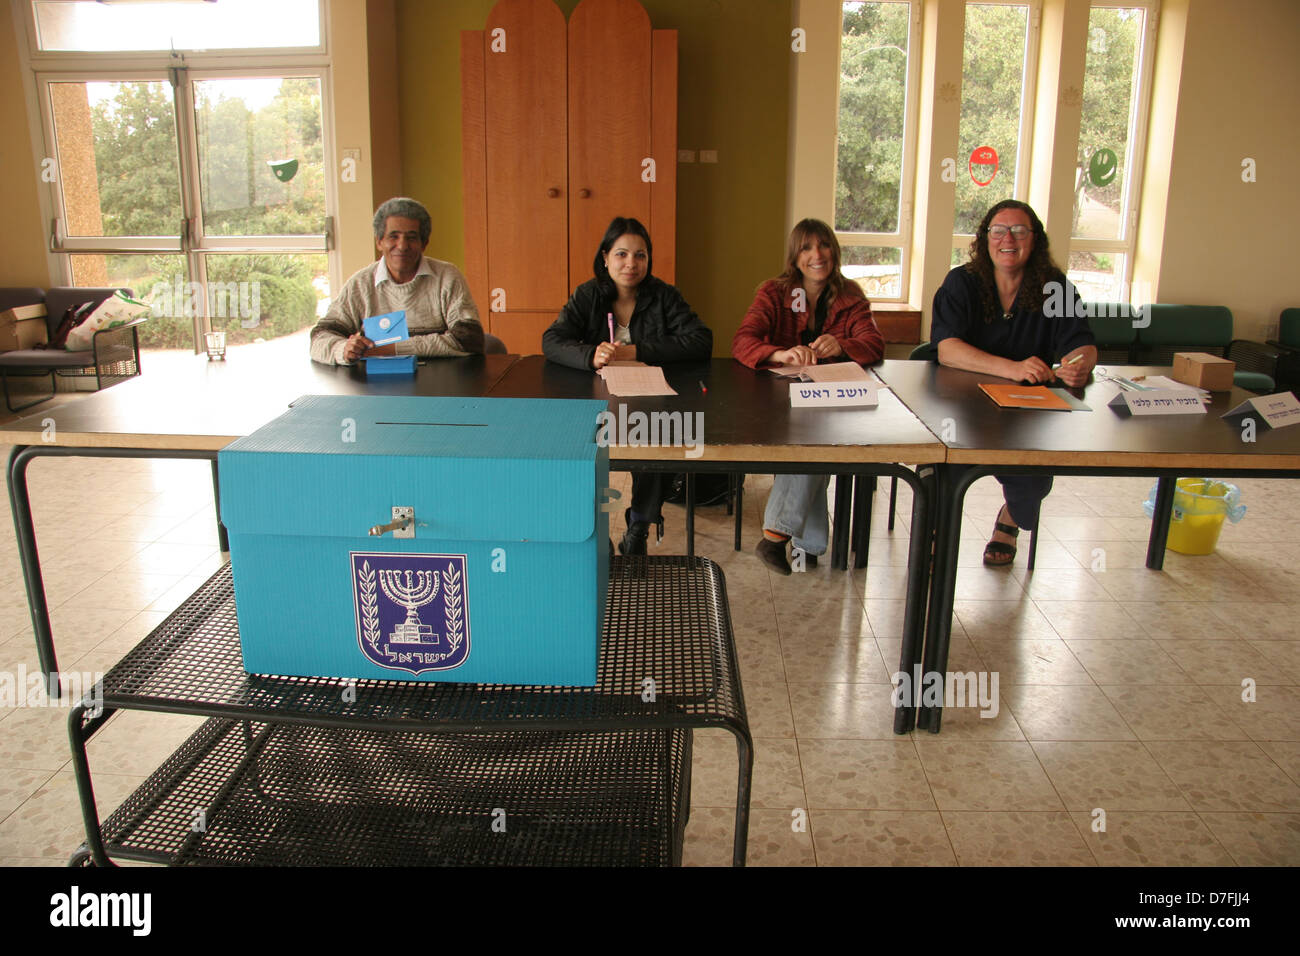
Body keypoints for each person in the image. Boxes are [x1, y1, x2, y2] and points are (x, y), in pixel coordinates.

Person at [931, 198, 1097, 566]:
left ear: (1034, 239)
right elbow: (947, 350)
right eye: (999, 230)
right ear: (985, 238)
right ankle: (936, 528)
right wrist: (1014, 368)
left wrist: (1078, 364)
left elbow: (1082, 342)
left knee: (1035, 466)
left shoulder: (1053, 286)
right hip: (959, 402)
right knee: (939, 466)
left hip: (1024, 410)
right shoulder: (963, 282)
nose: (1009, 238)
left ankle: (1010, 517)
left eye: (1020, 230)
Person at [543, 216, 712, 555]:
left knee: (650, 439)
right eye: (621, 254)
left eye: (640, 255)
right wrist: (590, 354)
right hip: (593, 397)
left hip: (646, 395)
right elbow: (552, 340)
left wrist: (639, 351)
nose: (631, 264)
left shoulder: (663, 295)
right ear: (605, 258)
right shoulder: (588, 295)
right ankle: (596, 530)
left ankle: (639, 526)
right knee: (582, 450)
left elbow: (701, 340)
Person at [733, 218, 884, 575]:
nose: (817, 254)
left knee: (820, 435)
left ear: (835, 250)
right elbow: (742, 341)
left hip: (834, 400)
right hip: (777, 403)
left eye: (824, 245)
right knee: (814, 440)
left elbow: (875, 344)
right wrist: (780, 353)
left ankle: (780, 538)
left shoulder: (851, 294)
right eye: (806, 248)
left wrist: (844, 344)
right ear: (794, 256)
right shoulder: (773, 292)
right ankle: (804, 543)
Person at [310, 197, 484, 364]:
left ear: (424, 243)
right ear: (379, 242)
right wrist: (343, 349)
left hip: (443, 386)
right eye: (393, 236)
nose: (402, 246)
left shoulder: (447, 277)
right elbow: (319, 337)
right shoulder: (360, 284)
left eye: (411, 237)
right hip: (376, 388)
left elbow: (469, 338)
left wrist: (389, 349)